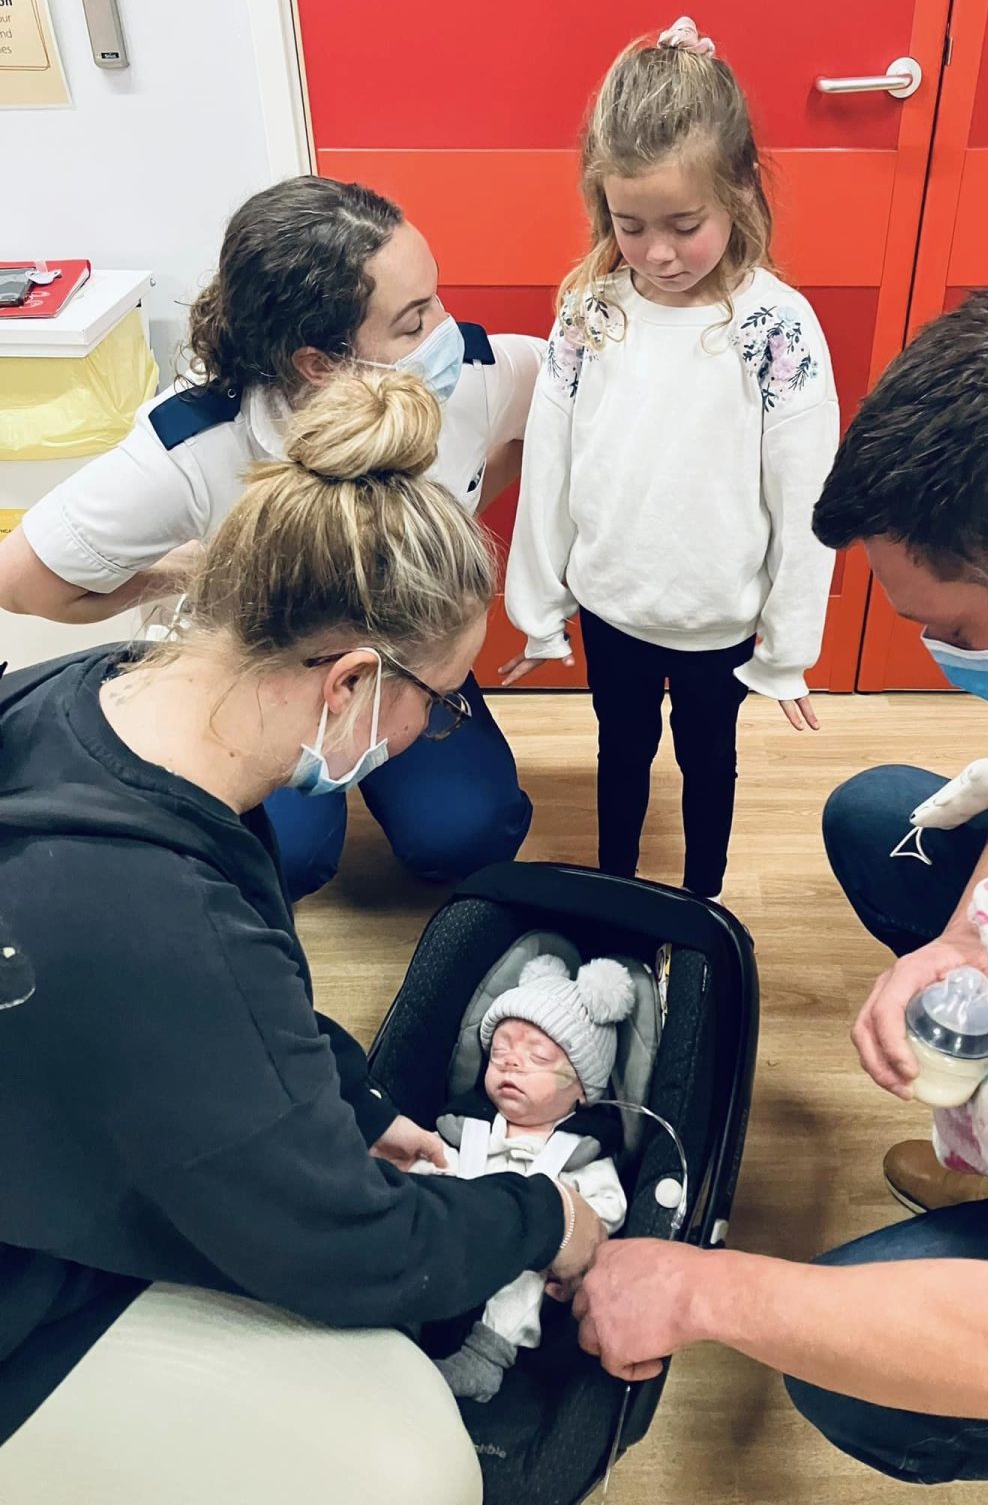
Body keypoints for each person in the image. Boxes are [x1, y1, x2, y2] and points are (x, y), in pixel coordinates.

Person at [571, 274, 988, 1501]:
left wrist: (699, 1288)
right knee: (880, 818)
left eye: (960, 629)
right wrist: (971, 937)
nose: (949, 660)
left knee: (866, 1380)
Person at [0, 369, 604, 1505]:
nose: (435, 727)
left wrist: (355, 1103)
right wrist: (545, 1218)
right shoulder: (168, 925)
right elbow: (344, 1249)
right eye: (442, 700)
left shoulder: (77, 700)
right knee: (410, 1458)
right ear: (356, 680)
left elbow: (211, 1026)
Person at [0, 175, 540, 900]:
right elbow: (23, 582)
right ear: (318, 363)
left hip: (401, 655)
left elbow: (547, 419)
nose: (444, 331)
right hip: (269, 667)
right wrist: (204, 572)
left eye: (436, 298)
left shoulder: (471, 376)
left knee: (468, 832)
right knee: (284, 857)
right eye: (413, 325)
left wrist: (441, 541)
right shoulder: (195, 445)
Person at [501, 16, 839, 900]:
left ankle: (701, 904)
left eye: (685, 225)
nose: (658, 252)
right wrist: (538, 606)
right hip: (612, 603)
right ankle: (617, 890)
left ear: (740, 191)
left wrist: (789, 646)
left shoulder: (776, 325)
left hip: (716, 620)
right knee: (621, 750)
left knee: (707, 761)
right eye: (631, 225)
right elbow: (552, 459)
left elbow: (806, 491)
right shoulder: (591, 309)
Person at [411, 954, 633, 1401]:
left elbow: (610, 1207)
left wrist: (571, 1216)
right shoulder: (467, 1127)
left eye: (538, 1056)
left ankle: (486, 1358)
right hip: (456, 1235)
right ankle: (404, 1320)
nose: (511, 1063)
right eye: (499, 1053)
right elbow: (436, 1161)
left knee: (527, 1272)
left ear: (582, 1087)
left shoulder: (581, 1152)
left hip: (526, 1254)